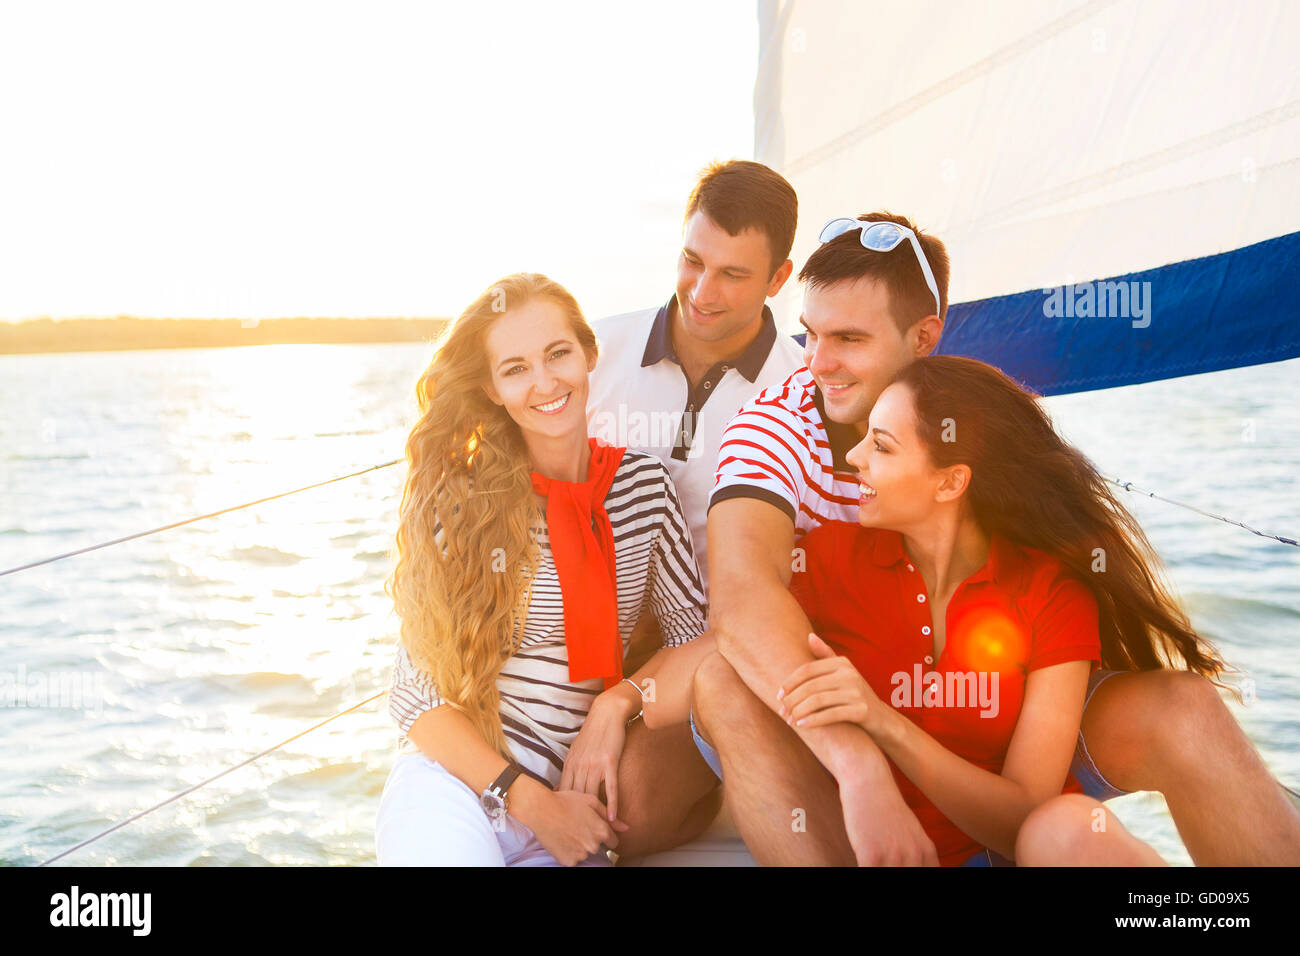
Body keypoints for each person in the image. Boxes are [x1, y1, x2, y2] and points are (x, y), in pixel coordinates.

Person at [694, 211, 1300, 865]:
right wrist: (860, 757)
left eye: (848, 338)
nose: (817, 364)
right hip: (850, 714)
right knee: (724, 680)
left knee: (1181, 711)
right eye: (808, 334)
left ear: (924, 337)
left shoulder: (968, 417)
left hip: (992, 719)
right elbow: (741, 598)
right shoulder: (777, 431)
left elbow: (1049, 568)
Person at [776, 354, 1230, 865]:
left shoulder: (1050, 590)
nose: (854, 456)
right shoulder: (826, 557)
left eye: (880, 445)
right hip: (867, 852)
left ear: (950, 482)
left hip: (1003, 854)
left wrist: (883, 722)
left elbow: (1024, 815)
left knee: (1067, 827)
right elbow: (730, 650)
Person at [374, 272, 714, 866]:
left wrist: (617, 705)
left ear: (588, 355)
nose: (545, 382)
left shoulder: (644, 489)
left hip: (574, 804)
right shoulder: (464, 502)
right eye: (515, 369)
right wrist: (528, 800)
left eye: (558, 354)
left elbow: (695, 643)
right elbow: (414, 696)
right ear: (492, 388)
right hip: (457, 785)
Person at [583, 159, 807, 856]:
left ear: (779, 279)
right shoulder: (591, 353)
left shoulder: (806, 392)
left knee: (618, 812)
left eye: (734, 275)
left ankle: (715, 778)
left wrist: (636, 697)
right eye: (691, 260)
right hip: (583, 640)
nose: (702, 292)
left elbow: (781, 598)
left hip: (714, 657)